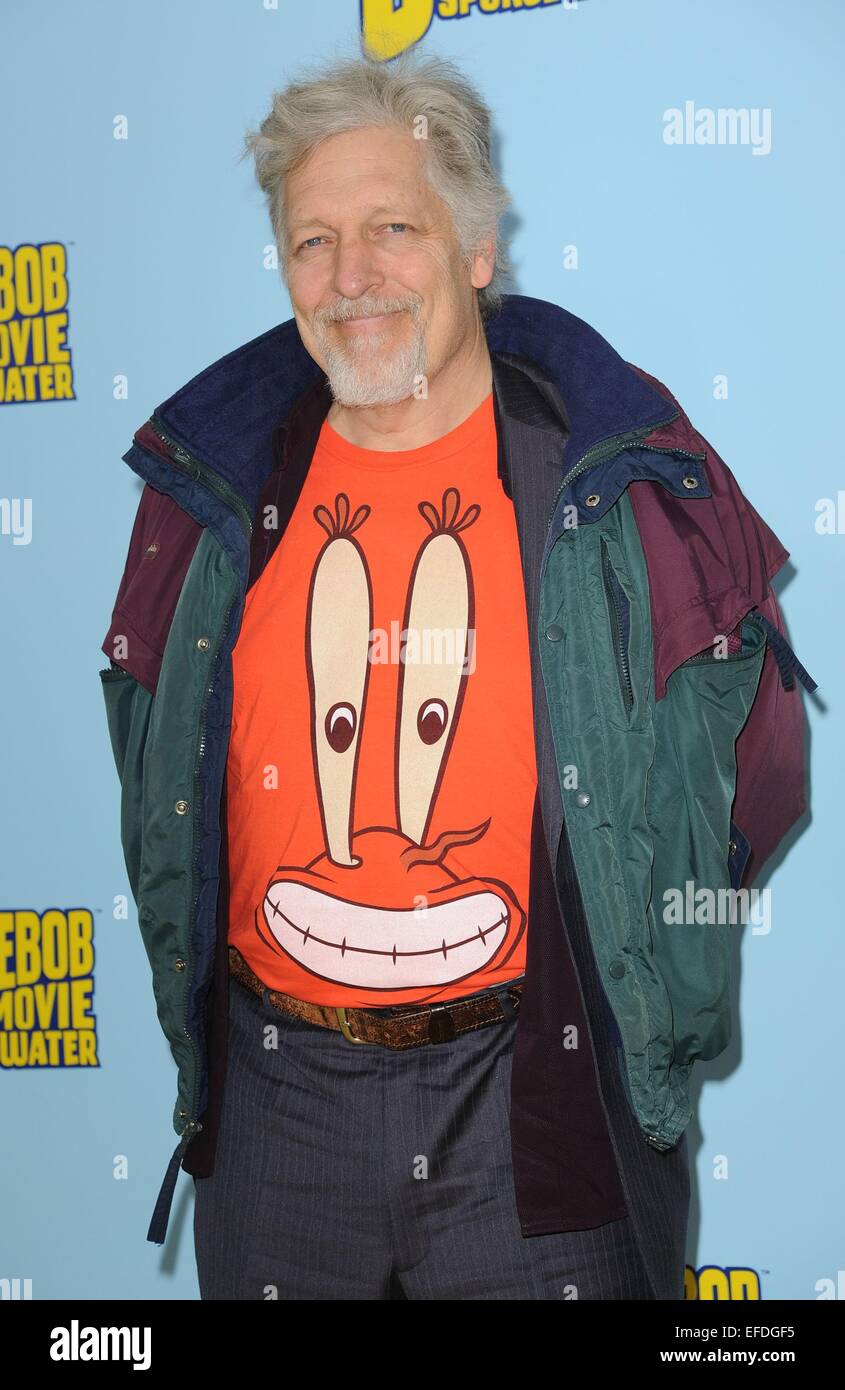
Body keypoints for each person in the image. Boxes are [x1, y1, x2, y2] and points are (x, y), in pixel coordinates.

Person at [99, 49, 814, 1301]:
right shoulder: (214, 492)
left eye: (392, 226)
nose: (351, 276)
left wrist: (662, 985)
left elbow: (747, 756)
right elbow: (154, 763)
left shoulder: (607, 484)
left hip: (533, 1090)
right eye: (312, 239)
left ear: (476, 249)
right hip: (277, 1108)